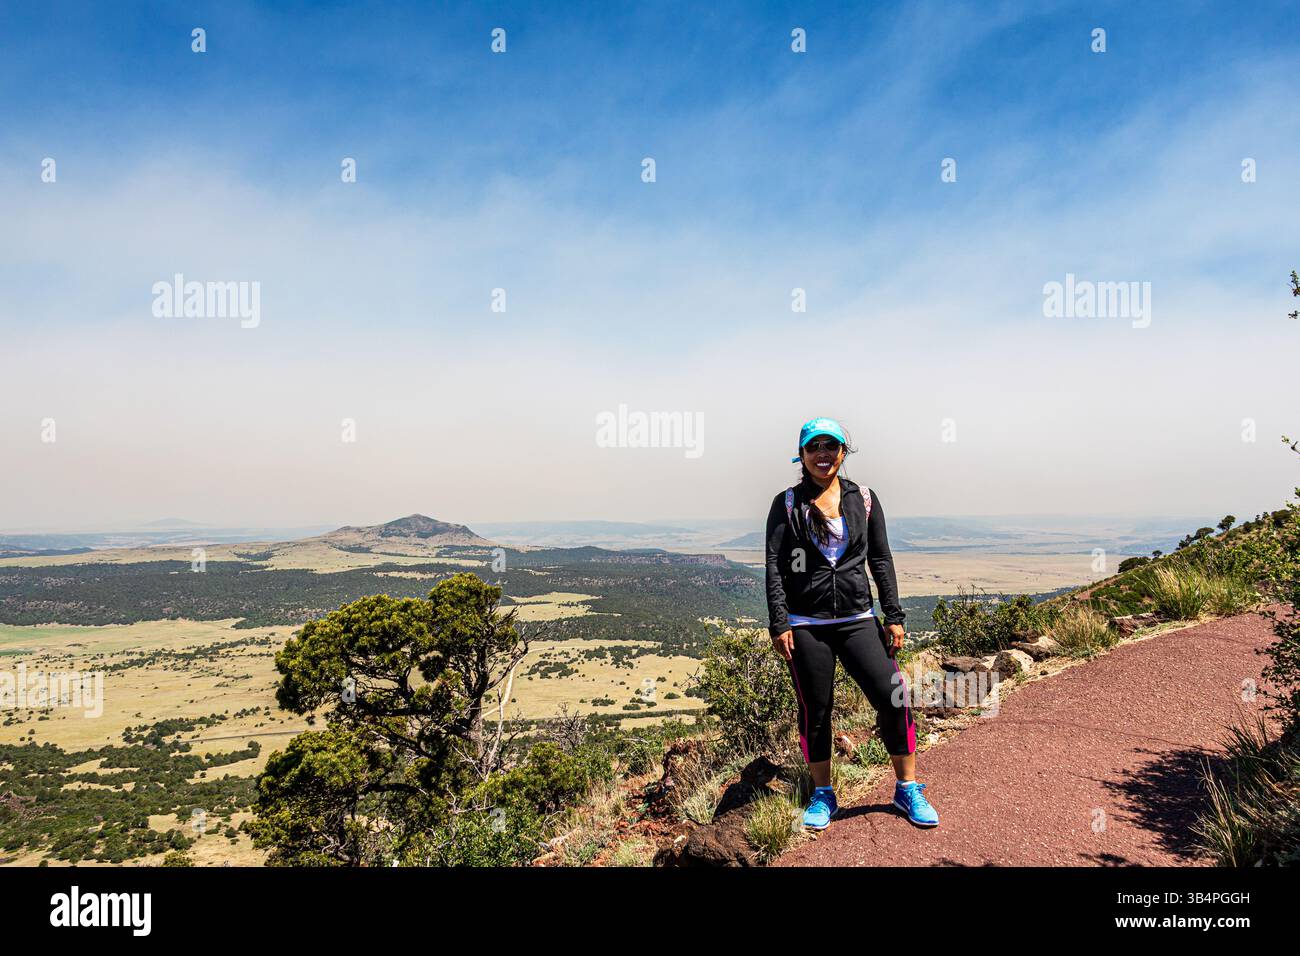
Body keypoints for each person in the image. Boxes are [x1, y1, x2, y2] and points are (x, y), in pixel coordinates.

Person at [764, 416, 939, 829]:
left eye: (831, 446)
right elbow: (774, 566)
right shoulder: (787, 504)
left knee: (893, 698)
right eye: (814, 448)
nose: (822, 455)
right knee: (817, 710)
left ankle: (907, 789)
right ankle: (823, 794)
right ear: (802, 455)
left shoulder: (864, 499)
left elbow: (880, 558)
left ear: (844, 452)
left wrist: (893, 616)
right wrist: (779, 623)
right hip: (806, 623)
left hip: (859, 618)